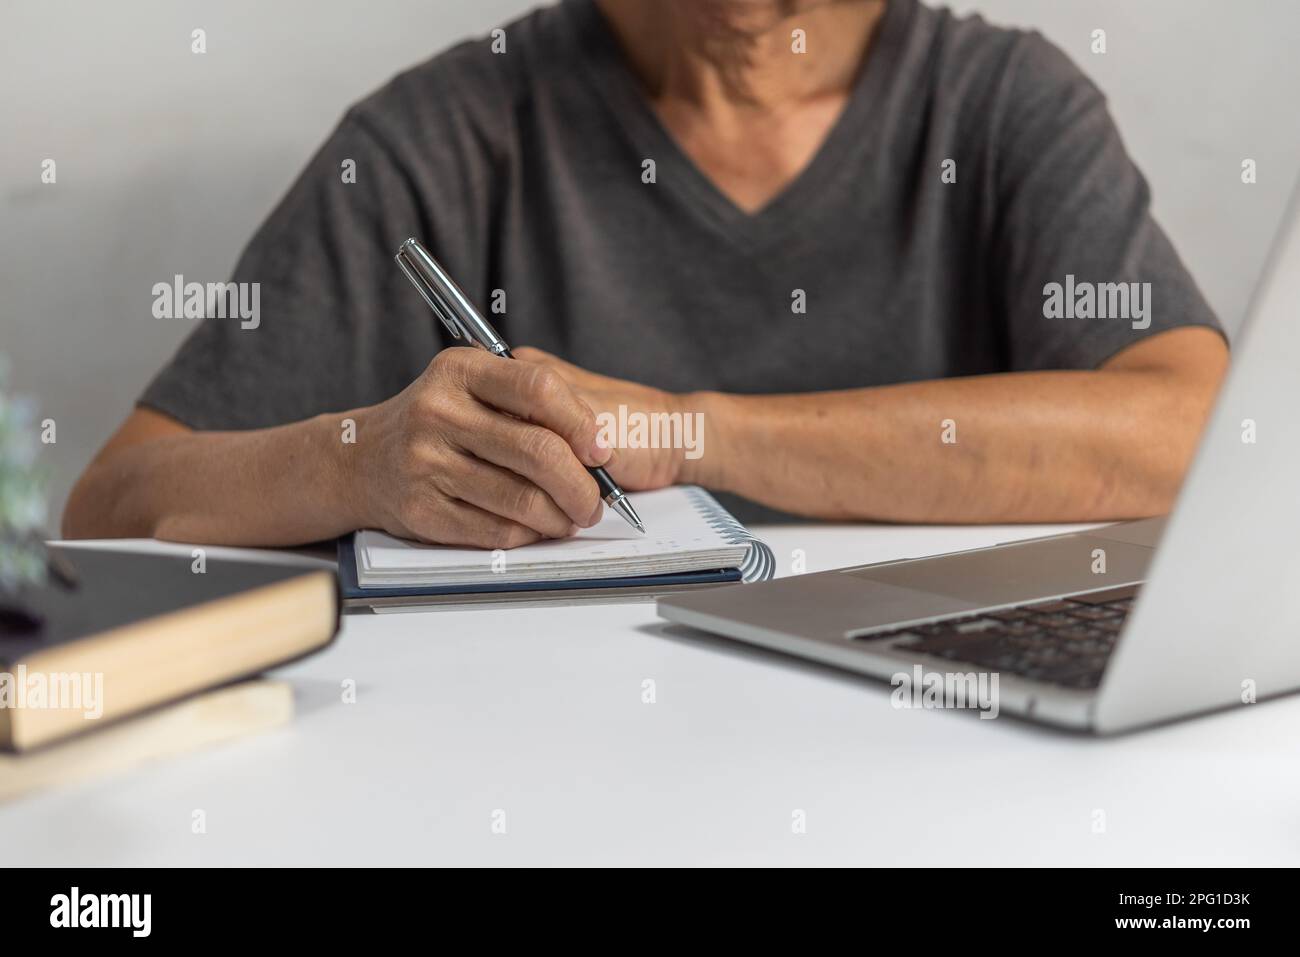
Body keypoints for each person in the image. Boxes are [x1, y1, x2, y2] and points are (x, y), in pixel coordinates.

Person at [63, 0, 1228, 548]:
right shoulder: (448, 134)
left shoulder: (1004, 104)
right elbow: (114, 501)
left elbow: (1185, 432)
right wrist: (355, 460)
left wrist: (685, 434)